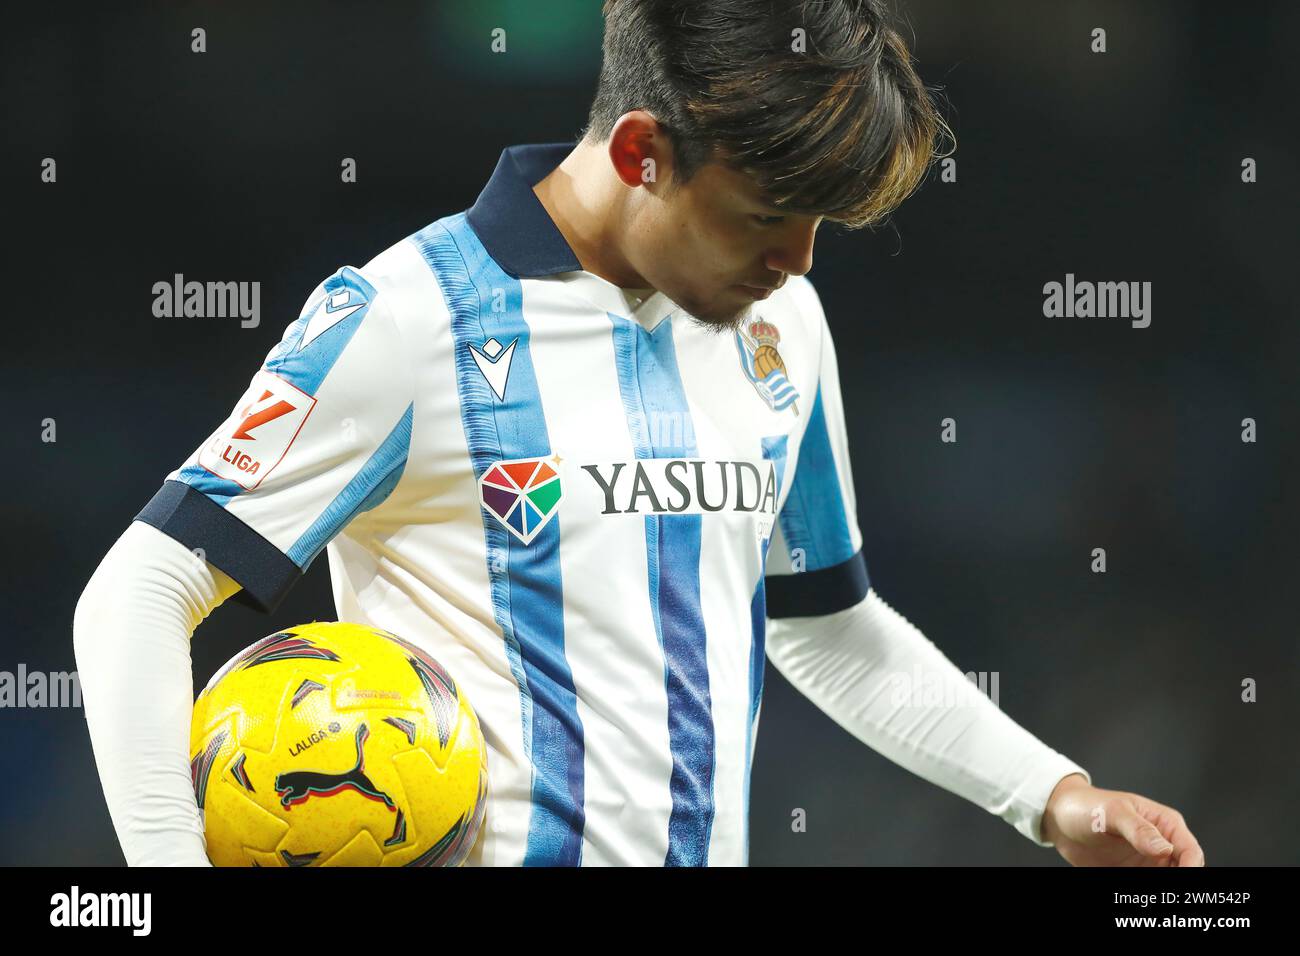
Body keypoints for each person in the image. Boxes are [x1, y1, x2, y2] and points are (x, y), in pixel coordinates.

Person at [74, 0, 1203, 866]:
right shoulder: (408, 316)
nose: (798, 260)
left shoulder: (782, 328)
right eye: (768, 214)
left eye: (819, 224)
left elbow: (821, 621)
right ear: (637, 153)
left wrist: (1051, 792)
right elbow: (137, 589)